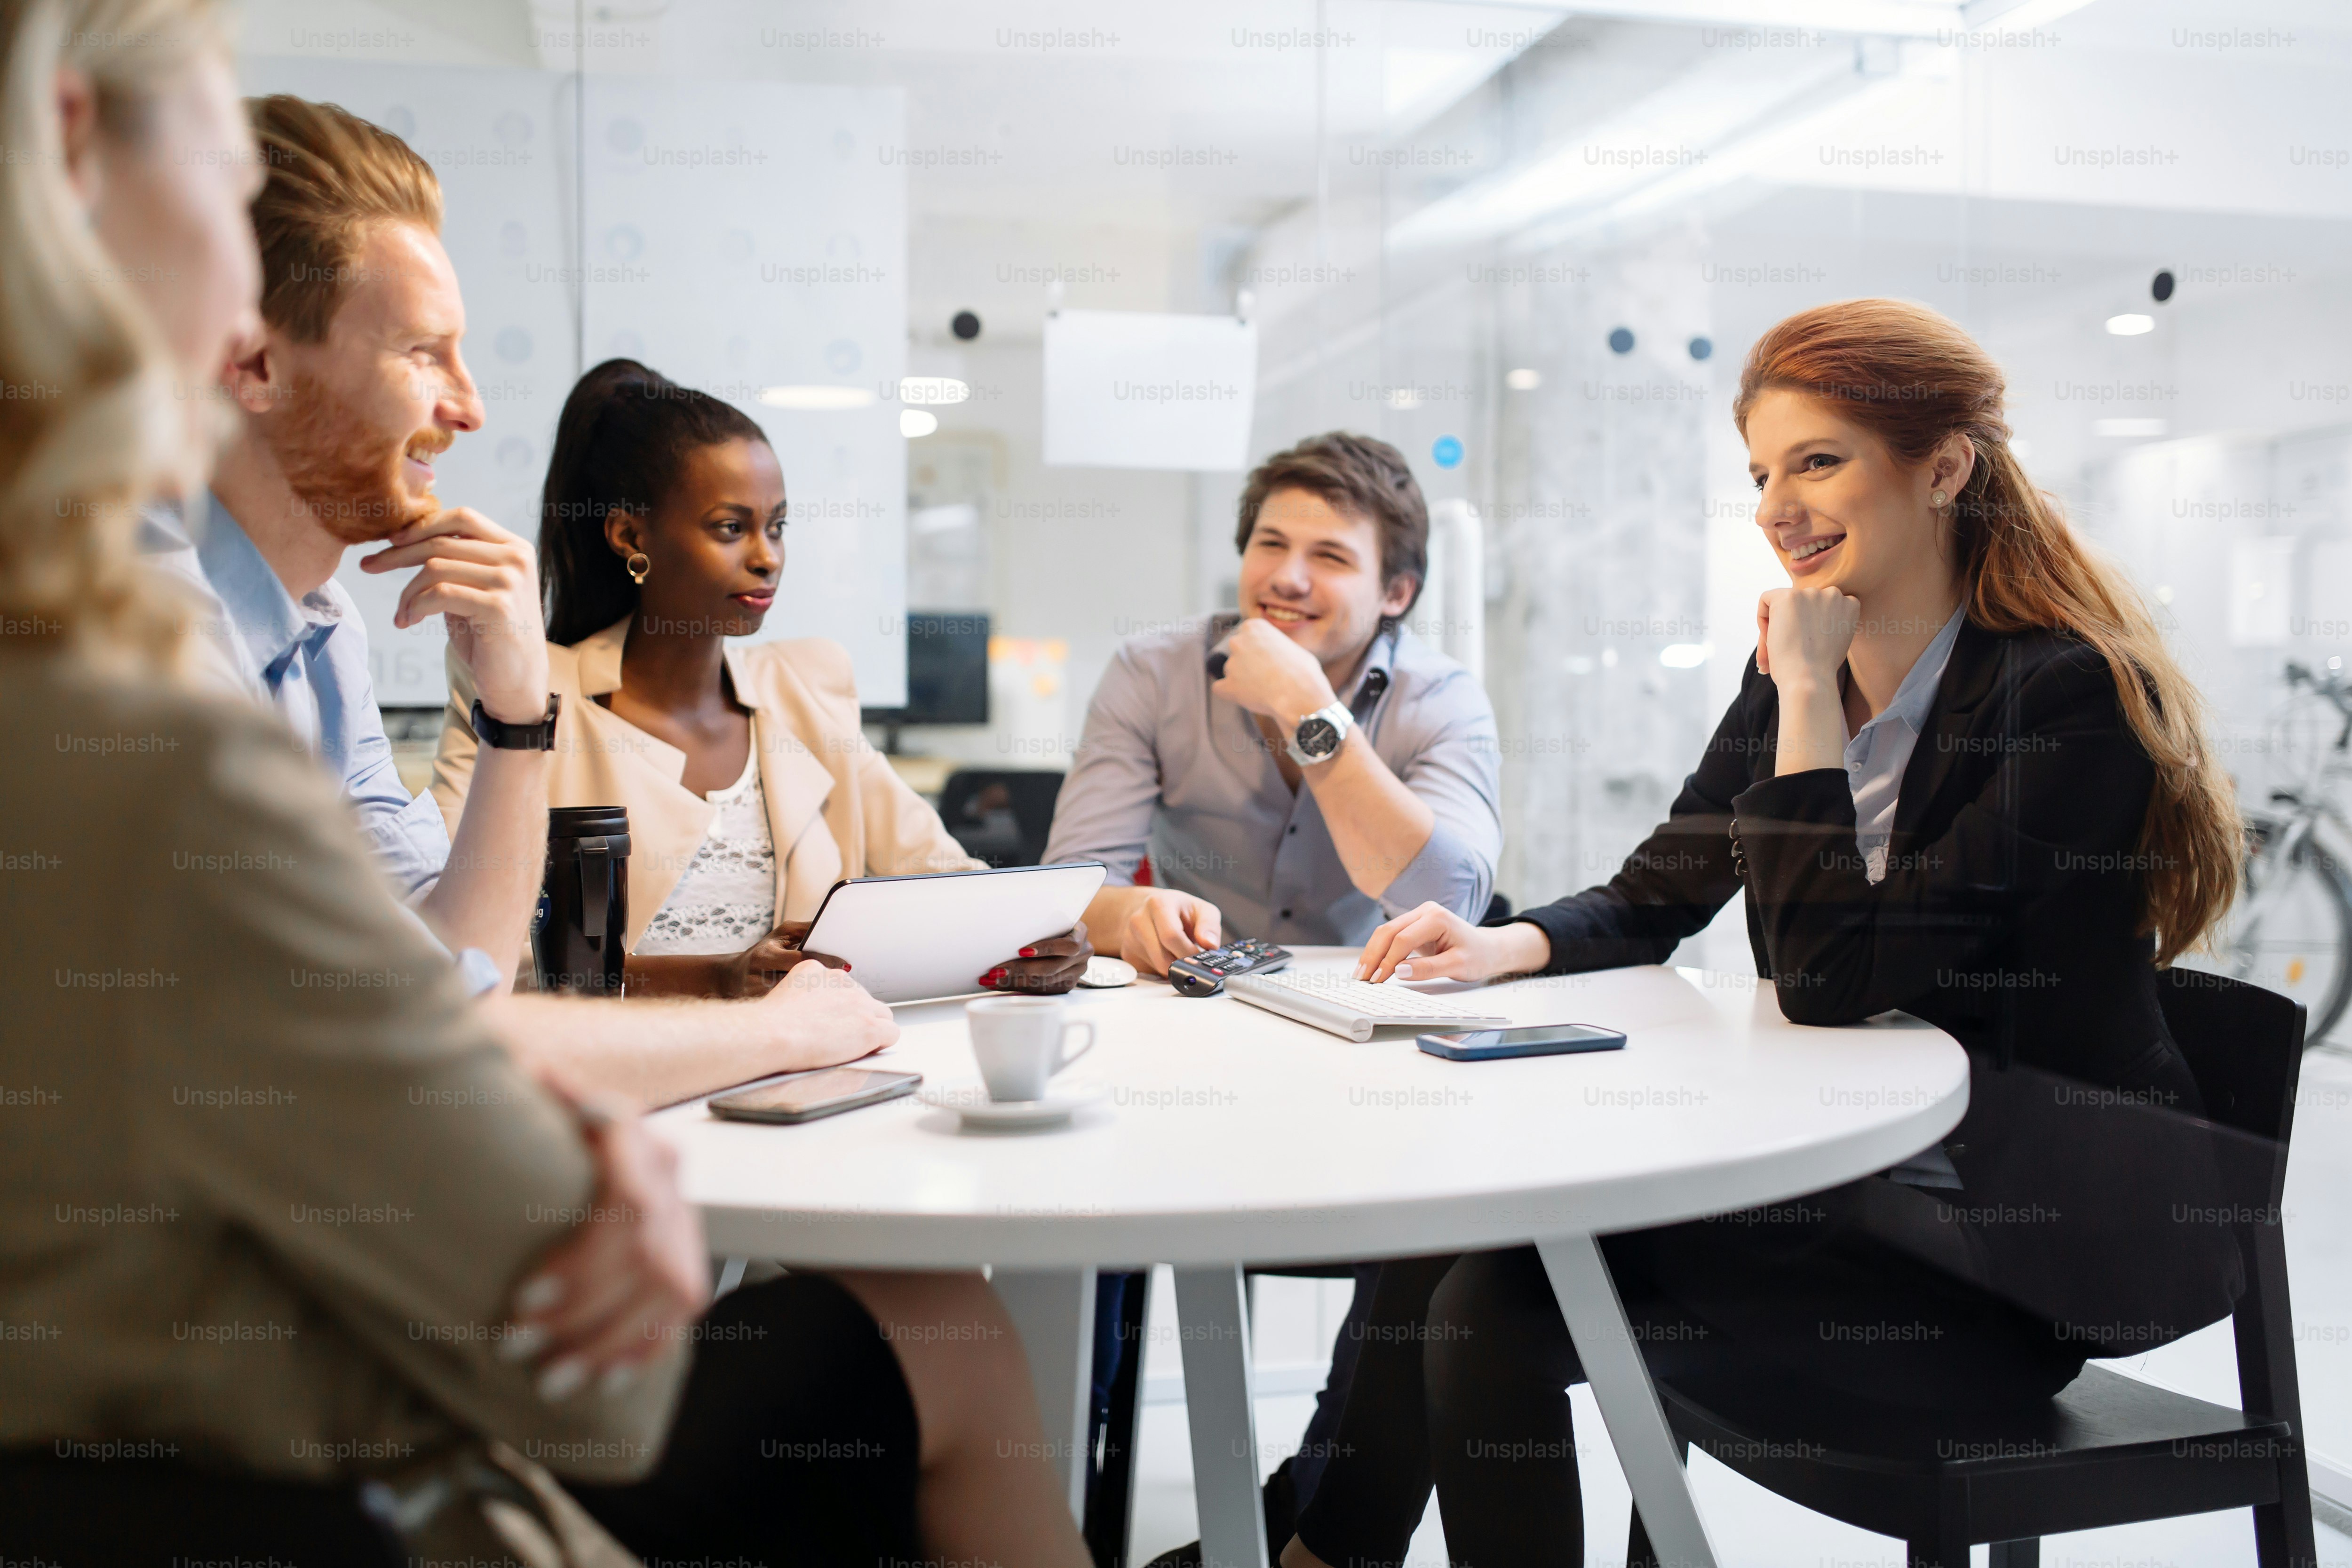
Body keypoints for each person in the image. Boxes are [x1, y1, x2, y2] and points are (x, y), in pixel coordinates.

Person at [0, 15, 1094, 1564]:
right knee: (938, 1336)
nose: (468, 407)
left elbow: (439, 974)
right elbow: (570, 1313)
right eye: (425, 353)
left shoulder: (304, 646)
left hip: (311, 1382)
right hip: (328, 1450)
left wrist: (512, 712)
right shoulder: (141, 702)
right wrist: (737, 1044)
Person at [1281, 299, 2248, 1567]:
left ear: (1945, 464)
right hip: (1860, 1190)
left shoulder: (2067, 698)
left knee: (1489, 1310)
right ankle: (1326, 1553)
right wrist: (1507, 945)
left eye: (1818, 459)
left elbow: (1833, 977)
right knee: (1462, 1243)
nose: (1776, 505)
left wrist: (1803, 692)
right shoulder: (1806, 655)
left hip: (2009, 1252)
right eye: (1761, 472)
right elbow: (1664, 889)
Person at [1043, 432, 1503, 1553]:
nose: (1286, 576)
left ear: (1396, 592)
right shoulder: (1154, 671)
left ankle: (1315, 1525)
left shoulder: (1443, 699)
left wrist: (1311, 711)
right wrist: (1126, 915)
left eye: (1329, 557)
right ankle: (1052, 1509)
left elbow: (1455, 890)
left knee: (1446, 1223)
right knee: (1061, 1192)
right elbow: (1068, 888)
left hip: (1367, 1073)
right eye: (1269, 543)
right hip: (1184, 1061)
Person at [429, 357, 1089, 1083]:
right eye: (729, 528)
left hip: (804, 1094)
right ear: (628, 537)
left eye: (777, 526)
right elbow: (462, 964)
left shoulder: (808, 687)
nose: (767, 558)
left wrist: (1026, 940)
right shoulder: (526, 694)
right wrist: (717, 978)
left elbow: (941, 876)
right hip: (616, 1090)